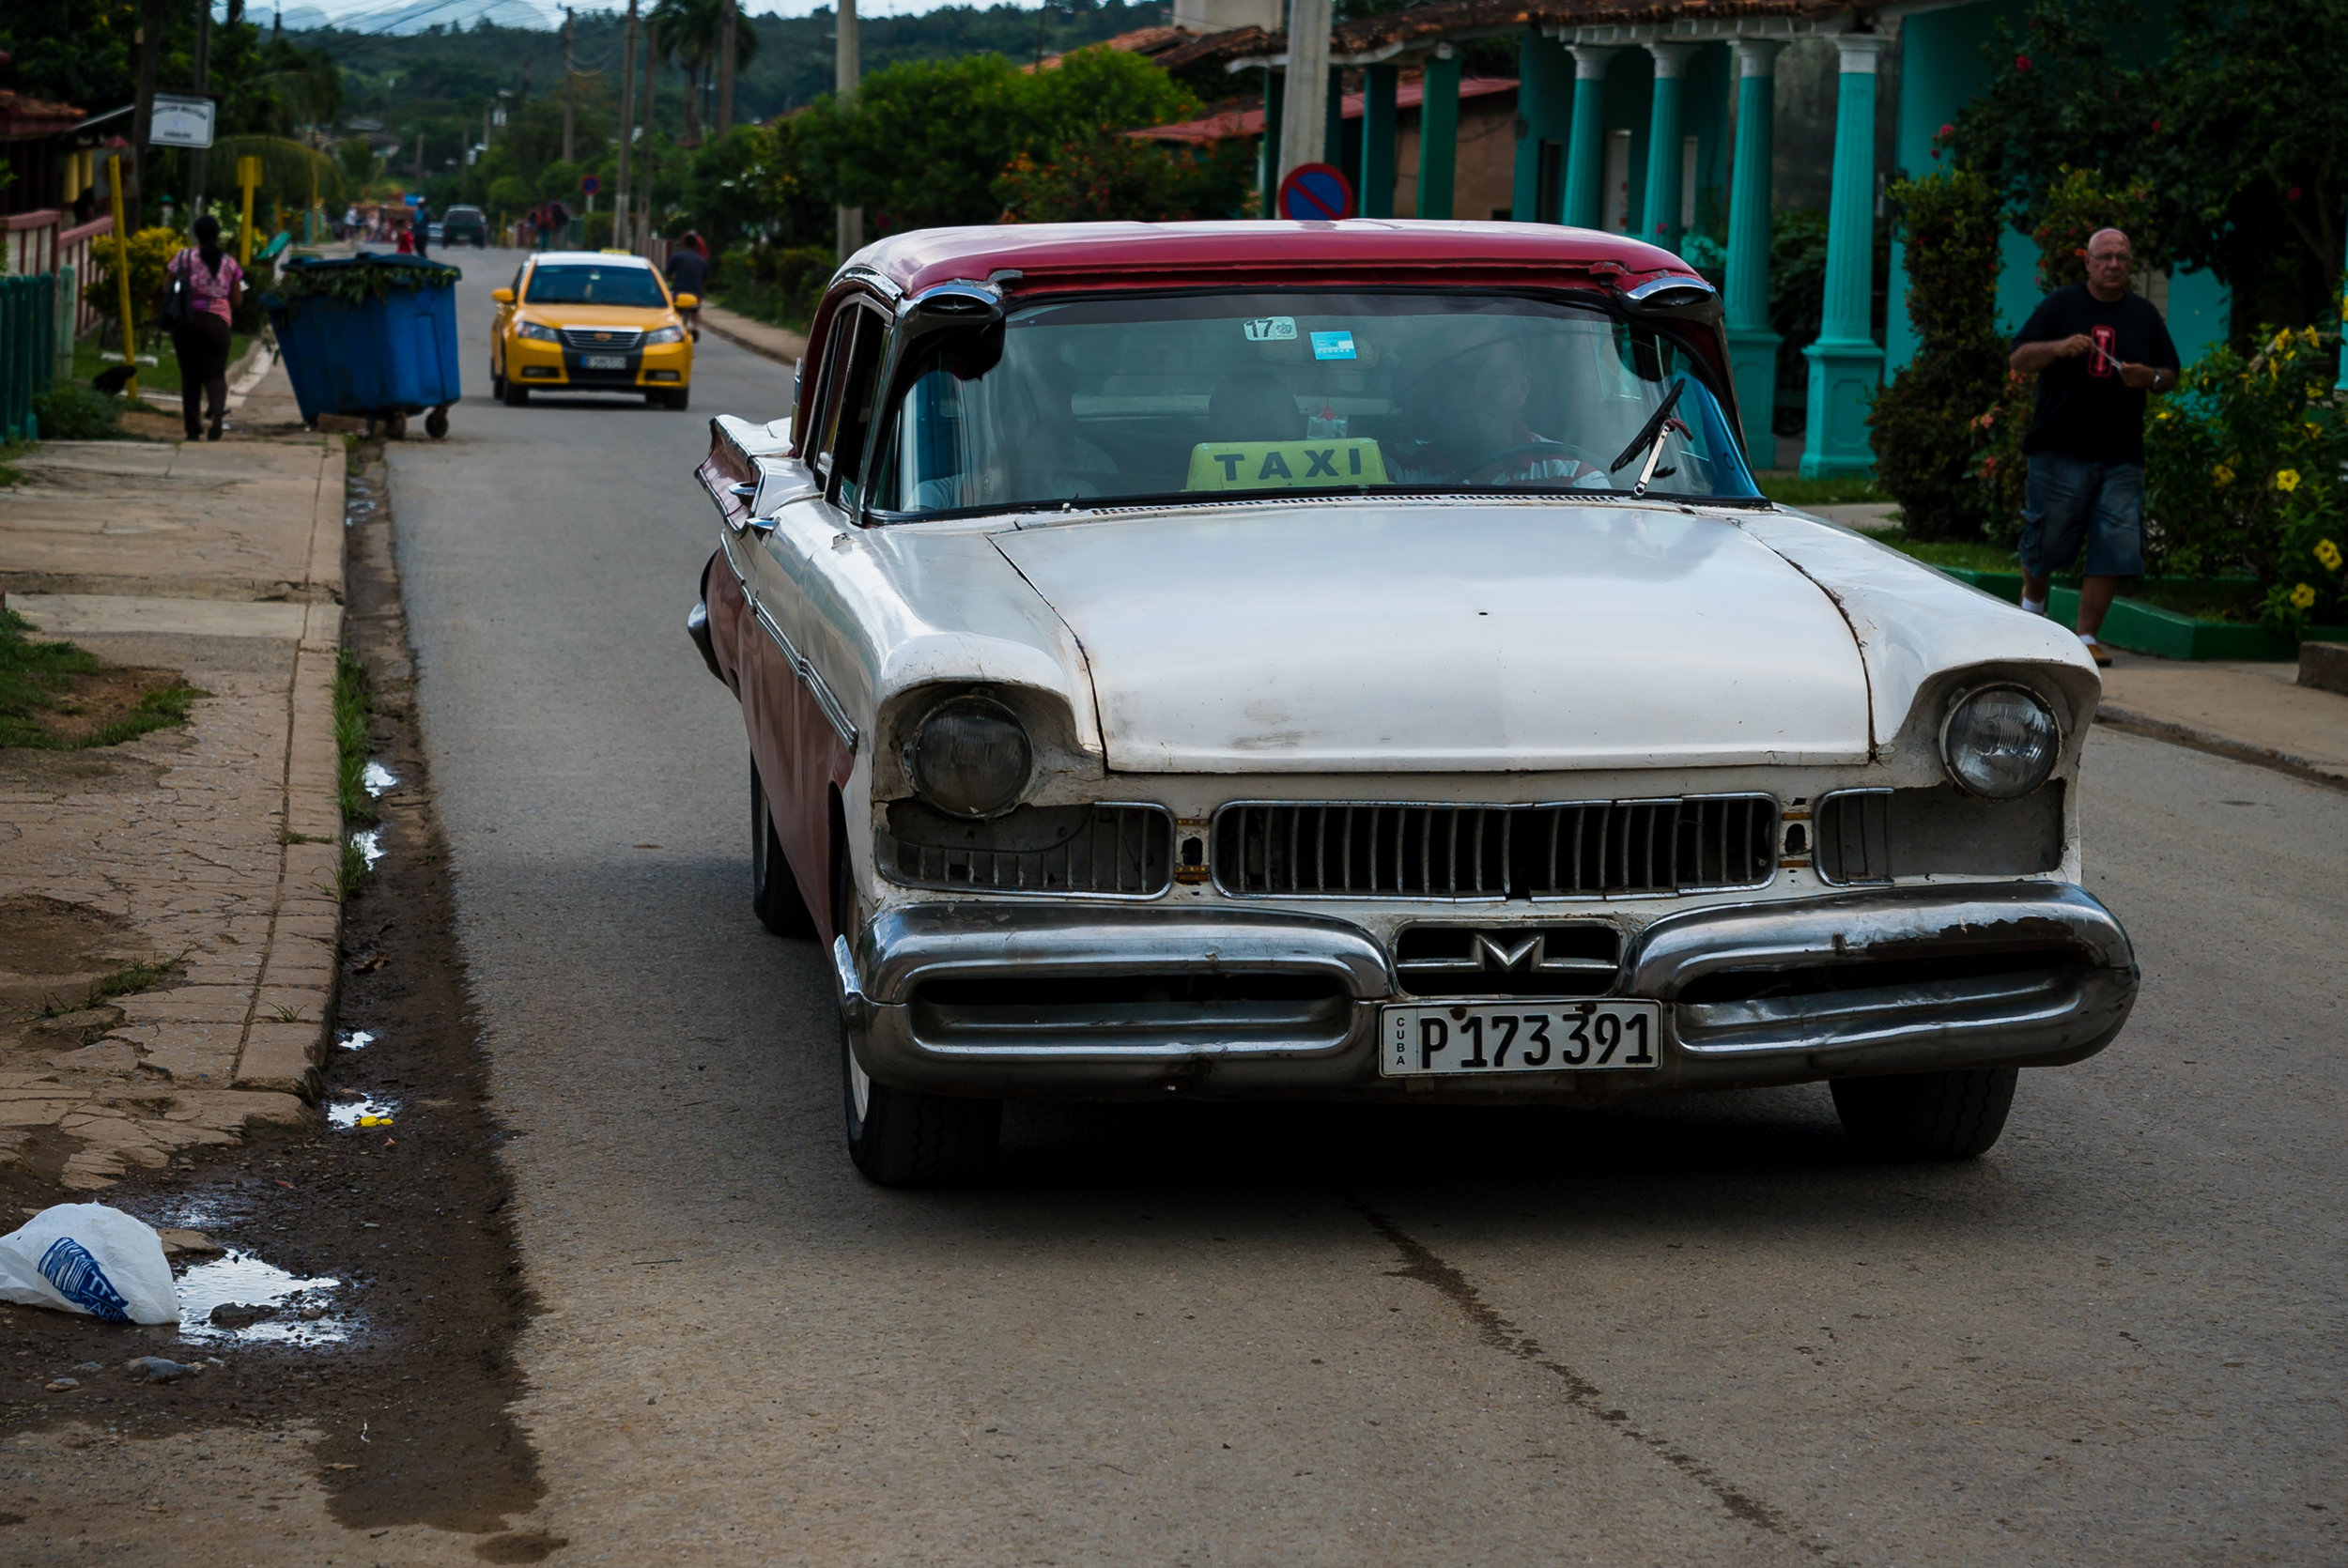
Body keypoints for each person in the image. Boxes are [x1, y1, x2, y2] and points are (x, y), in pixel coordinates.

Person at [2007, 226, 2181, 668]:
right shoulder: (2061, 306)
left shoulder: (2143, 315)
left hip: (2121, 454)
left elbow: (2170, 372)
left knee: (2115, 543)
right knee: (2048, 537)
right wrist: (2060, 347)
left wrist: (2152, 379)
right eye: (2104, 257)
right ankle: (2033, 610)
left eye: (2122, 258)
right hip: (2059, 447)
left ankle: (2086, 636)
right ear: (2087, 262)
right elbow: (2020, 358)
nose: (2113, 265)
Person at [164, 215, 244, 442]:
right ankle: (217, 409)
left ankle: (192, 429)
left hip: (186, 322)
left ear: (196, 234)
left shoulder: (183, 257)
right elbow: (237, 300)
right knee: (215, 375)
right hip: (217, 325)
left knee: (190, 377)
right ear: (217, 235)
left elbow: (167, 287)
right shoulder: (230, 263)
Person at [666, 233, 708, 340]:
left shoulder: (677, 257)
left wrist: (673, 280)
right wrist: (701, 295)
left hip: (679, 294)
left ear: (683, 244)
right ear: (696, 245)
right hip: (695, 295)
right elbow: (704, 281)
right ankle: (696, 328)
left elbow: (667, 274)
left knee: (675, 312)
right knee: (696, 311)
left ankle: (675, 330)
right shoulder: (702, 261)